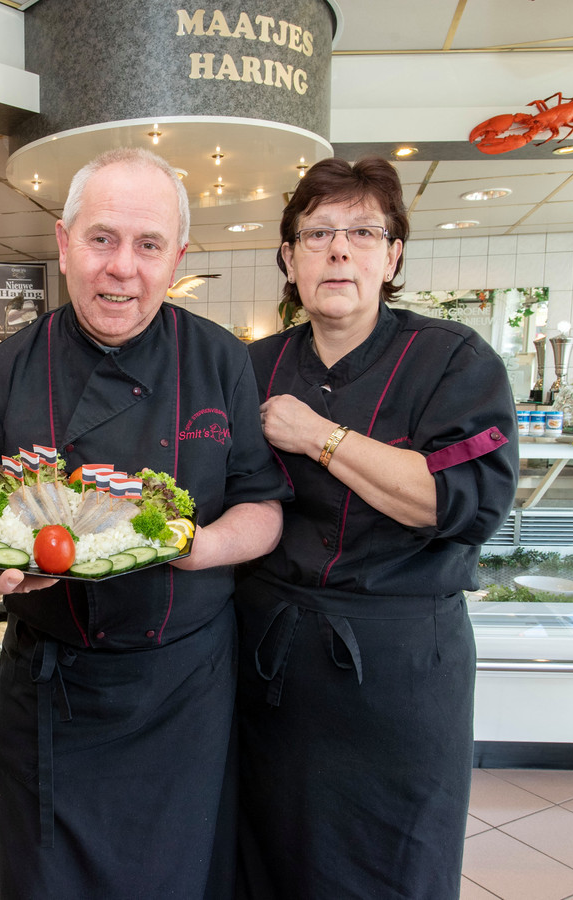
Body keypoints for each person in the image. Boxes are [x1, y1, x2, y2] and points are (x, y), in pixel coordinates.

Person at [0, 147, 289, 899]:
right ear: (64, 244)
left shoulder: (221, 359)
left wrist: (197, 545)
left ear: (177, 257)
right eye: (101, 239)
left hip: (186, 689)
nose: (123, 267)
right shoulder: (3, 371)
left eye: (148, 245)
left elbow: (265, 507)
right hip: (55, 690)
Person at [235, 157, 519, 900]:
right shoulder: (248, 368)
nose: (339, 249)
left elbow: (462, 505)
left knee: (390, 866)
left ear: (392, 256)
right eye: (319, 232)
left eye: (363, 231)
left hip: (398, 674)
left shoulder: (453, 359)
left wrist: (317, 436)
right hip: (267, 665)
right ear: (289, 258)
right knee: (266, 856)